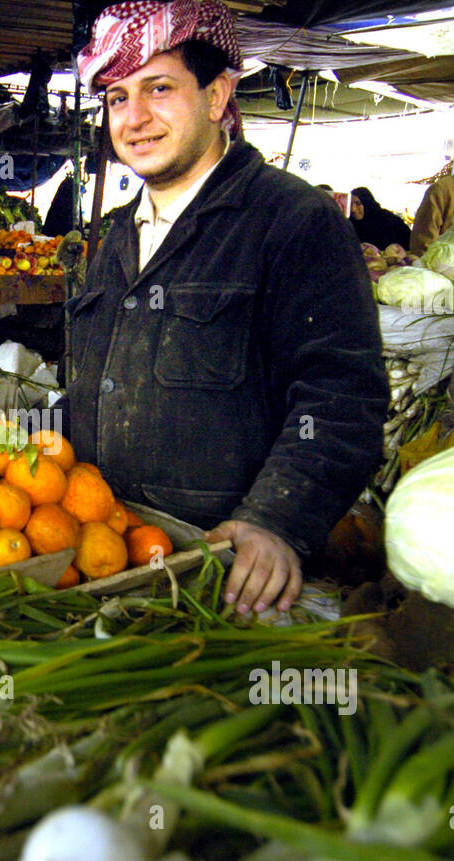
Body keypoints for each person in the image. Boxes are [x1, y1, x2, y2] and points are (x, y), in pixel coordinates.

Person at [67, 0, 388, 616]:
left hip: (229, 577)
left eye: (159, 88)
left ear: (217, 97)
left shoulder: (291, 221)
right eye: (116, 98)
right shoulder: (115, 237)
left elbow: (340, 395)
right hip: (110, 557)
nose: (134, 119)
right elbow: (92, 386)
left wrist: (276, 519)